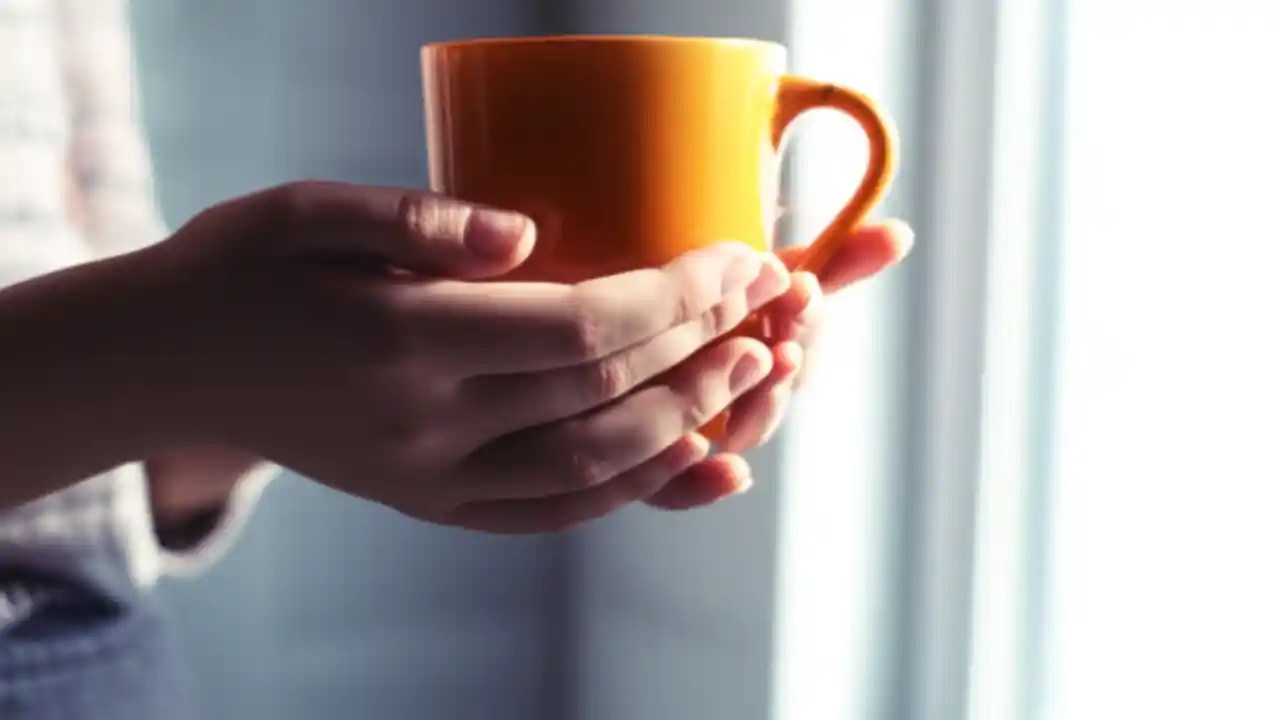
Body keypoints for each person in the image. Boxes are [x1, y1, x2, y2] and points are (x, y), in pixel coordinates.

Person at [0, 0, 913, 718]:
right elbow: (126, 349)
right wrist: (173, 352)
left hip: (103, 644)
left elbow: (110, 399)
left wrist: (269, 391)